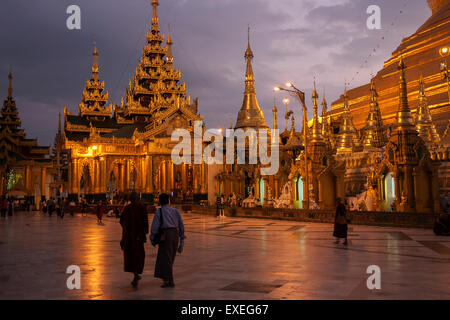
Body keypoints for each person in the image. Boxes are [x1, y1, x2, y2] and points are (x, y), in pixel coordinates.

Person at [150, 193, 185, 288]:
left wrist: (152, 238)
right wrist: (182, 240)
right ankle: (167, 279)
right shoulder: (175, 211)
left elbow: (155, 227)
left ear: (160, 202)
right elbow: (181, 225)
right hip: (175, 234)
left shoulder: (159, 212)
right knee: (170, 257)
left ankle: (170, 280)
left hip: (166, 235)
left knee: (166, 258)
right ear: (168, 201)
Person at [120, 192, 149, 288]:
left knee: (132, 256)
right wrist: (144, 234)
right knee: (137, 256)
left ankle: (136, 274)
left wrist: (123, 237)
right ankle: (136, 274)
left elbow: (122, 222)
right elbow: (145, 222)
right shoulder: (141, 208)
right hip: (137, 237)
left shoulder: (128, 208)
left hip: (129, 236)